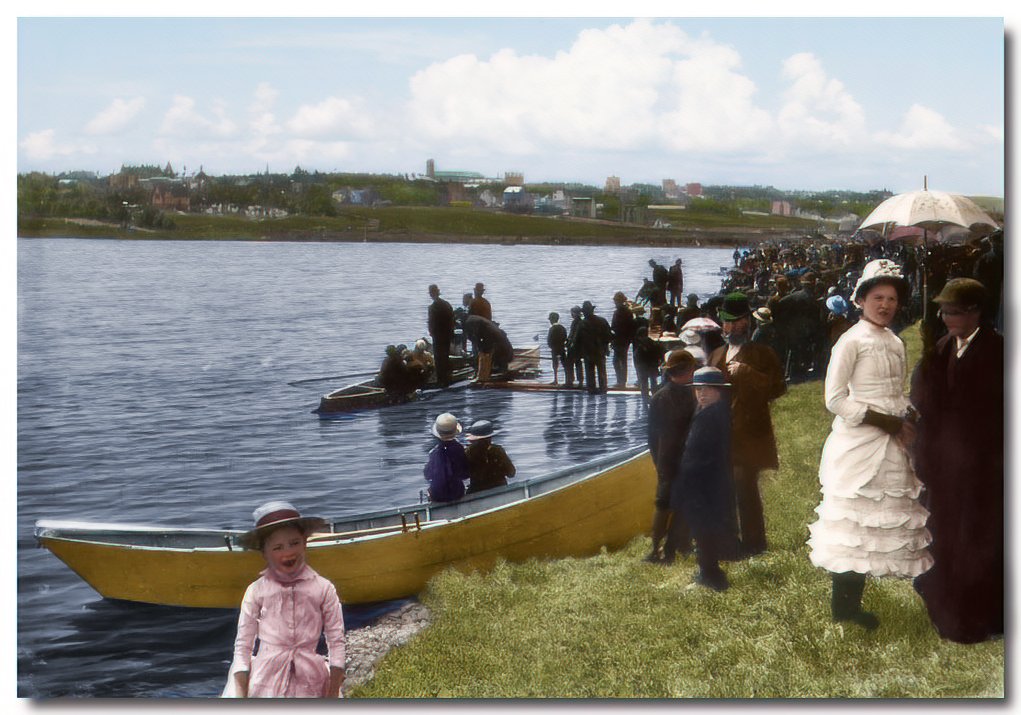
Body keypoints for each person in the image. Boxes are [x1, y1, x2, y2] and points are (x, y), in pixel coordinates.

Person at [807, 259, 933, 630]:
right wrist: (882, 420)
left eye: (892, 298)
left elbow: (896, 391)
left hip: (895, 442)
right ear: (861, 300)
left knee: (885, 522)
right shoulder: (851, 340)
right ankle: (844, 609)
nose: (885, 305)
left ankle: (864, 603)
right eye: (878, 297)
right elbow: (834, 398)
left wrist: (908, 415)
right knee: (855, 522)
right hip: (862, 440)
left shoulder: (894, 341)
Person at [911, 278, 1003, 643]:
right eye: (944, 311)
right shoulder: (943, 346)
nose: (947, 317)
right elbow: (926, 400)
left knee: (979, 538)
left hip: (984, 463)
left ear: (976, 312)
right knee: (946, 533)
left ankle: (979, 618)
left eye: (955, 311)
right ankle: (947, 608)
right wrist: (928, 358)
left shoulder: (998, 350)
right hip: (946, 462)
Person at [227, 501, 345, 698]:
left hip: (311, 681)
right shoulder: (256, 591)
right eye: (278, 547)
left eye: (295, 543)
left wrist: (333, 692)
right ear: (264, 552)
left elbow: (336, 641)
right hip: (265, 681)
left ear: (305, 543)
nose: (288, 552)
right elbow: (243, 646)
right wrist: (240, 692)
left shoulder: (324, 588)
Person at [707, 292, 786, 558]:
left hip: (749, 434)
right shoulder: (716, 353)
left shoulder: (762, 354)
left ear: (747, 323)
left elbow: (777, 389)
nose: (730, 328)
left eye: (736, 322)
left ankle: (754, 544)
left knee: (745, 487)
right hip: (720, 435)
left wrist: (749, 374)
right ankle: (728, 542)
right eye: (726, 322)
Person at [671, 367, 741, 591]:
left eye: (708, 389)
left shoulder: (712, 415)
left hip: (703, 483)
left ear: (719, 391)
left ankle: (710, 576)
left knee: (703, 529)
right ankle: (708, 571)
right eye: (698, 389)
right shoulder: (711, 411)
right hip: (708, 482)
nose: (702, 394)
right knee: (703, 528)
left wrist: (683, 481)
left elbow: (698, 454)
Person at [644, 349, 698, 563]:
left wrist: (657, 459)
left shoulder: (658, 397)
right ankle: (679, 545)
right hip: (688, 456)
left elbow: (651, 434)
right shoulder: (693, 394)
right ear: (689, 370)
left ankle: (656, 549)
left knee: (663, 504)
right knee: (685, 502)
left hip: (665, 458)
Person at [424, 413, 470, 503]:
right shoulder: (459, 449)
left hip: (437, 495)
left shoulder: (434, 452)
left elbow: (427, 475)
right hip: (457, 493)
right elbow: (465, 474)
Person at [464, 420, 517, 494]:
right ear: (490, 438)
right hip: (500, 489)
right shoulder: (498, 450)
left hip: (476, 492)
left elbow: (463, 476)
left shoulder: (467, 452)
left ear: (473, 439)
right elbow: (511, 473)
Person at [463, 315, 514, 381]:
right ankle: (499, 369)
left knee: (483, 352)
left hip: (504, 354)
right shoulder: (477, 320)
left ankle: (485, 372)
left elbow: (477, 343)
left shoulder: (470, 323)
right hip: (508, 352)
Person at [577, 300, 612, 394]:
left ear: (584, 312)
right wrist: (606, 347)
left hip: (588, 352)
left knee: (590, 373)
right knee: (602, 372)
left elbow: (578, 339)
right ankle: (603, 390)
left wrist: (578, 352)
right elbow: (609, 336)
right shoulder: (602, 320)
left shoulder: (582, 324)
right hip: (600, 351)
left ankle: (592, 391)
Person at [427, 284, 455, 386]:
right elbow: (452, 320)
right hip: (446, 335)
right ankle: (447, 378)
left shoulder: (432, 307)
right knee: (445, 356)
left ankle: (441, 380)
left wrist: (432, 332)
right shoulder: (446, 305)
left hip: (438, 336)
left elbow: (431, 323)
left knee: (439, 358)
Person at [610, 291, 637, 388]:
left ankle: (620, 381)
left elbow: (614, 327)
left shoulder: (618, 312)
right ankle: (622, 381)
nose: (615, 303)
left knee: (617, 361)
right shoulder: (628, 312)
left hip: (619, 339)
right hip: (625, 340)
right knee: (623, 360)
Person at [631, 325, 664, 401]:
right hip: (653, 366)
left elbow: (637, 358)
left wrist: (638, 368)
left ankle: (645, 398)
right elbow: (660, 354)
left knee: (644, 383)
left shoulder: (639, 346)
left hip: (643, 368)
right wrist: (657, 363)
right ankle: (655, 396)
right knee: (653, 382)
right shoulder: (654, 343)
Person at [546, 311, 569, 386]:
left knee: (555, 365)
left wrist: (551, 346)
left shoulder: (552, 329)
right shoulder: (562, 328)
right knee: (565, 364)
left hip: (554, 348)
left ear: (551, 320)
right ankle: (567, 380)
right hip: (562, 347)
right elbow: (565, 337)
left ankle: (556, 380)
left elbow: (549, 340)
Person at [565, 305, 585, 389]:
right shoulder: (579, 322)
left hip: (575, 347)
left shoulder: (578, 322)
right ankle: (578, 381)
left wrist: (569, 343)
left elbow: (574, 335)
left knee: (571, 363)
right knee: (578, 364)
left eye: (572, 313)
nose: (571, 314)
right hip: (577, 347)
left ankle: (571, 381)